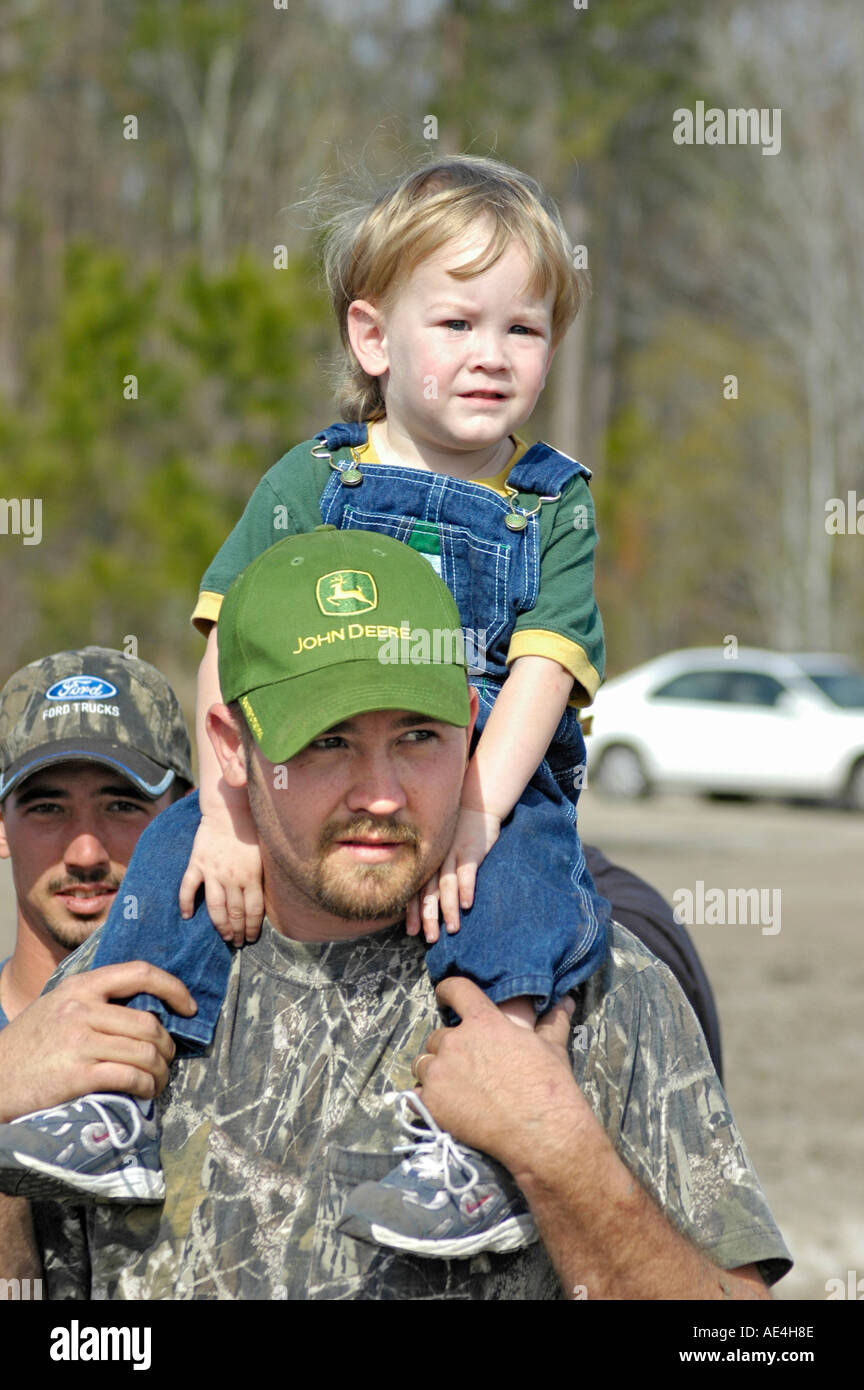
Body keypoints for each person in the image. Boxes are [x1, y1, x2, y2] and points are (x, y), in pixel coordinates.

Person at [0, 155, 618, 1257]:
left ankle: (478, 1128)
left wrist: (474, 807)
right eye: (459, 323)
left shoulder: (550, 503)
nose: (492, 355)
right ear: (374, 339)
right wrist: (233, 807)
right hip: (295, 771)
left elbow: (545, 669)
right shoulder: (311, 482)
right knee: (175, 854)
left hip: (491, 776)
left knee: (526, 890)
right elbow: (223, 651)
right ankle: (119, 1079)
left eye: (523, 331)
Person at [9, 531, 789, 1299]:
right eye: (328, 741)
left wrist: (560, 1154)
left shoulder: (595, 992)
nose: (381, 795)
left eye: (419, 736)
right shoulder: (109, 998)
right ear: (233, 746)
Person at [0, 645, 196, 1282]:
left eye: (121, 805)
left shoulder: (241, 1036)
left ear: (188, 816)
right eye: (47, 807)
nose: (85, 851)